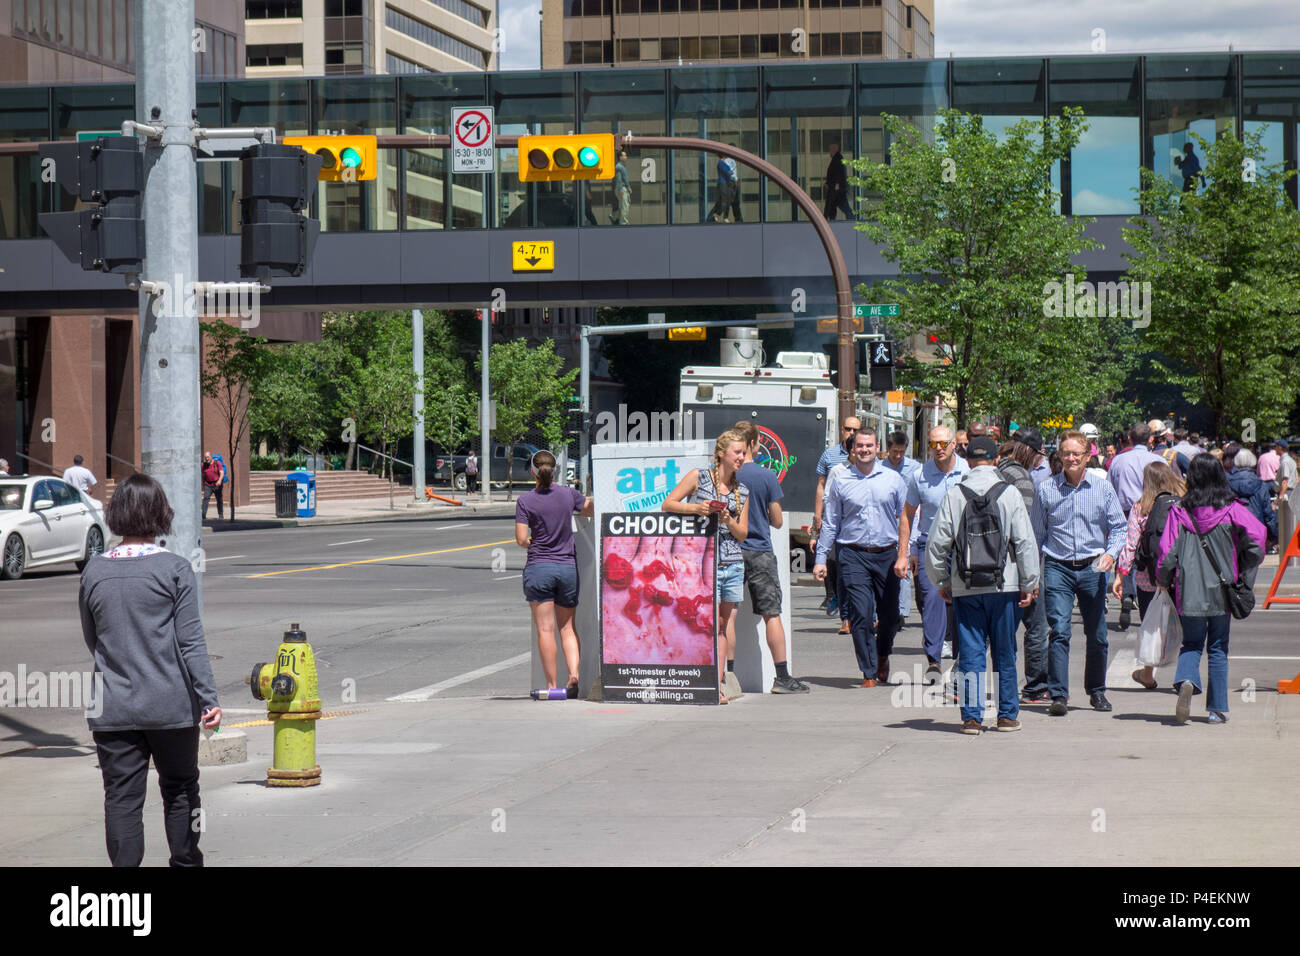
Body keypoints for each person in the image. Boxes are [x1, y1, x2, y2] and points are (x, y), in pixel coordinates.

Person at [79, 473, 222, 867]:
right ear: (160, 514)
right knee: (180, 789)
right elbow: (191, 643)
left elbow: (93, 639)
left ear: (116, 514)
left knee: (121, 797)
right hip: (170, 704)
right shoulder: (175, 570)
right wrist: (208, 698)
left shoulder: (94, 571)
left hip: (111, 706)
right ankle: (185, 862)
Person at [925, 436, 1040, 733]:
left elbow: (937, 544)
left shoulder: (955, 494)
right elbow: (1025, 542)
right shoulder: (1010, 493)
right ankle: (1006, 715)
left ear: (969, 459)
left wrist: (942, 580)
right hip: (1006, 585)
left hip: (966, 585)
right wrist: (1030, 581)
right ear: (995, 459)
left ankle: (972, 718)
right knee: (1004, 650)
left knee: (973, 651)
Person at [1156, 455, 1266, 724]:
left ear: (1190, 478)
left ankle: (1185, 681)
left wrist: (1163, 578)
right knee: (1218, 648)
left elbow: (1167, 554)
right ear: (1220, 476)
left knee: (1191, 644)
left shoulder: (1180, 512)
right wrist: (1242, 563)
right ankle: (1216, 710)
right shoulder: (1232, 510)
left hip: (1188, 590)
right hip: (1223, 590)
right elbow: (1258, 538)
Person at [1031, 430, 1127, 715]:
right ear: (1059, 456)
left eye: (1077, 454)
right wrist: (1032, 574)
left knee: (1097, 634)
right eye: (1066, 453)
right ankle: (1059, 694)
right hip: (1058, 566)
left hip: (1093, 566)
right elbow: (1037, 535)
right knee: (1059, 630)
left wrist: (1111, 555)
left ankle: (1097, 691)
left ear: (1088, 457)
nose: (1071, 458)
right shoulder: (1047, 489)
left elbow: (1119, 528)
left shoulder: (1103, 488)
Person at [815, 428, 907, 687]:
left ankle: (882, 654)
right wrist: (821, 558)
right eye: (860, 446)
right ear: (852, 449)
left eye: (869, 445)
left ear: (878, 448)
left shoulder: (893, 479)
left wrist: (904, 554)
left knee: (890, 617)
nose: (864, 449)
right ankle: (868, 671)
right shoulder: (841, 481)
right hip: (853, 554)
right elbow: (831, 522)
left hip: (887, 555)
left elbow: (906, 519)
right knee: (861, 614)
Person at [665, 430, 750, 702]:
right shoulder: (699, 477)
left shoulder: (742, 489)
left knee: (722, 625)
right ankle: (700, 680)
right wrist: (697, 509)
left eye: (743, 452)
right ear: (722, 453)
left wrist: (727, 519)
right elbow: (668, 504)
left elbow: (742, 534)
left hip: (732, 563)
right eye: (737, 452)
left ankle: (717, 683)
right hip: (701, 561)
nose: (741, 457)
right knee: (706, 624)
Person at [733, 421, 809, 694]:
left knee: (726, 615)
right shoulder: (766, 476)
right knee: (771, 614)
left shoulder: (726, 473)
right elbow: (777, 521)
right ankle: (783, 677)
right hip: (760, 550)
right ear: (755, 443)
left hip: (730, 550)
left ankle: (726, 678)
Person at [515, 450, 595, 696]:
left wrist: (532, 542)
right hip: (567, 568)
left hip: (539, 568)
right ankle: (574, 674)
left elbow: (520, 539)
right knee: (567, 627)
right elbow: (590, 510)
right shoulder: (568, 495)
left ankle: (552, 686)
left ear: (532, 472)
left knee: (546, 629)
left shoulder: (525, 501)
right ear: (556, 471)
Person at [895, 425, 968, 680]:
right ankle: (934, 659)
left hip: (963, 545)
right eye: (933, 444)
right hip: (930, 544)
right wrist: (904, 552)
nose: (938, 448)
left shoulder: (967, 473)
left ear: (953, 445)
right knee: (931, 601)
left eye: (943, 443)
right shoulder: (919, 475)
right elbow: (907, 514)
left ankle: (963, 658)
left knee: (963, 602)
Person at [1112, 461, 1185, 689]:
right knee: (1184, 629)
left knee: (1151, 625)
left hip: (1148, 578)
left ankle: (1147, 674)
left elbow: (1131, 543)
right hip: (1179, 575)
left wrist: (1121, 575)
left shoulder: (1141, 506)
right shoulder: (1184, 503)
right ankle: (1184, 677)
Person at [997, 438, 1051, 703]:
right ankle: (1036, 685)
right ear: (1028, 451)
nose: (1041, 460)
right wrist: (1031, 575)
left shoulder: (994, 472)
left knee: (987, 626)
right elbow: (1027, 532)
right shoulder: (1022, 478)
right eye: (1039, 454)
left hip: (991, 561)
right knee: (1037, 627)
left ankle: (961, 682)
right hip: (1019, 561)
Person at [1108, 423, 1165, 628]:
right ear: (1150, 440)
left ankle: (1127, 592)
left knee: (1128, 553)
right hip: (1155, 513)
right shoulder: (1158, 460)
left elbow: (1110, 490)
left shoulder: (1118, 461)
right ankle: (1149, 596)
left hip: (1126, 513)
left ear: (1129, 439)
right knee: (1147, 555)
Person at [813, 416, 861, 634]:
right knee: (840, 570)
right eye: (848, 429)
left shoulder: (871, 466)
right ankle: (845, 616)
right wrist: (818, 517)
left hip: (861, 529)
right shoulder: (833, 462)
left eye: (855, 429)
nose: (851, 433)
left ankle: (865, 615)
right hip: (839, 526)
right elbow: (823, 490)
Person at [881, 430, 921, 624]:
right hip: (887, 523)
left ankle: (902, 612)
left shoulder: (915, 468)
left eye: (901, 452)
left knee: (903, 565)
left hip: (909, 521)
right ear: (887, 449)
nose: (897, 456)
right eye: (894, 451)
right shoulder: (879, 468)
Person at [1221, 443, 1277, 545]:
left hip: (1233, 530)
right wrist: (1273, 535)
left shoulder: (1226, 482)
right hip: (1256, 530)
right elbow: (1268, 513)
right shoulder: (1261, 485)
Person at [823, 142, 854, 221]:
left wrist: (836, 184)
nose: (829, 151)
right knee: (834, 206)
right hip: (836, 188)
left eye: (830, 149)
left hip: (836, 189)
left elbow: (839, 173)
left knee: (835, 205)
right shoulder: (838, 159)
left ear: (835, 149)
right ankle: (830, 220)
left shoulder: (837, 159)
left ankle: (829, 220)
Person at [709, 154, 741, 223]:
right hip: (723, 184)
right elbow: (728, 173)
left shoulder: (723, 163)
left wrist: (730, 174)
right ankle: (717, 216)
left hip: (727, 184)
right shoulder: (721, 163)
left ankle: (722, 216)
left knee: (728, 201)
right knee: (724, 202)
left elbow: (729, 172)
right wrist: (730, 173)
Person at [201, 451, 225, 520]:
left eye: (208, 457)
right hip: (208, 484)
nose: (207, 459)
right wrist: (203, 483)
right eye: (205, 458)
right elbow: (203, 474)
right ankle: (203, 515)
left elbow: (222, 473)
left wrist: (219, 480)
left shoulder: (217, 463)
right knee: (206, 499)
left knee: (219, 500)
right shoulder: (203, 465)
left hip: (217, 484)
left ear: (211, 456)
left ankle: (221, 515)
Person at [610, 150, 631, 226]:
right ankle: (624, 223)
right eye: (624, 155)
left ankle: (614, 216)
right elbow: (619, 179)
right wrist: (621, 188)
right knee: (625, 206)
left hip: (622, 188)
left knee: (623, 205)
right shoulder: (619, 167)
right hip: (622, 188)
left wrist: (627, 187)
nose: (626, 157)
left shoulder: (621, 166)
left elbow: (624, 178)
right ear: (620, 157)